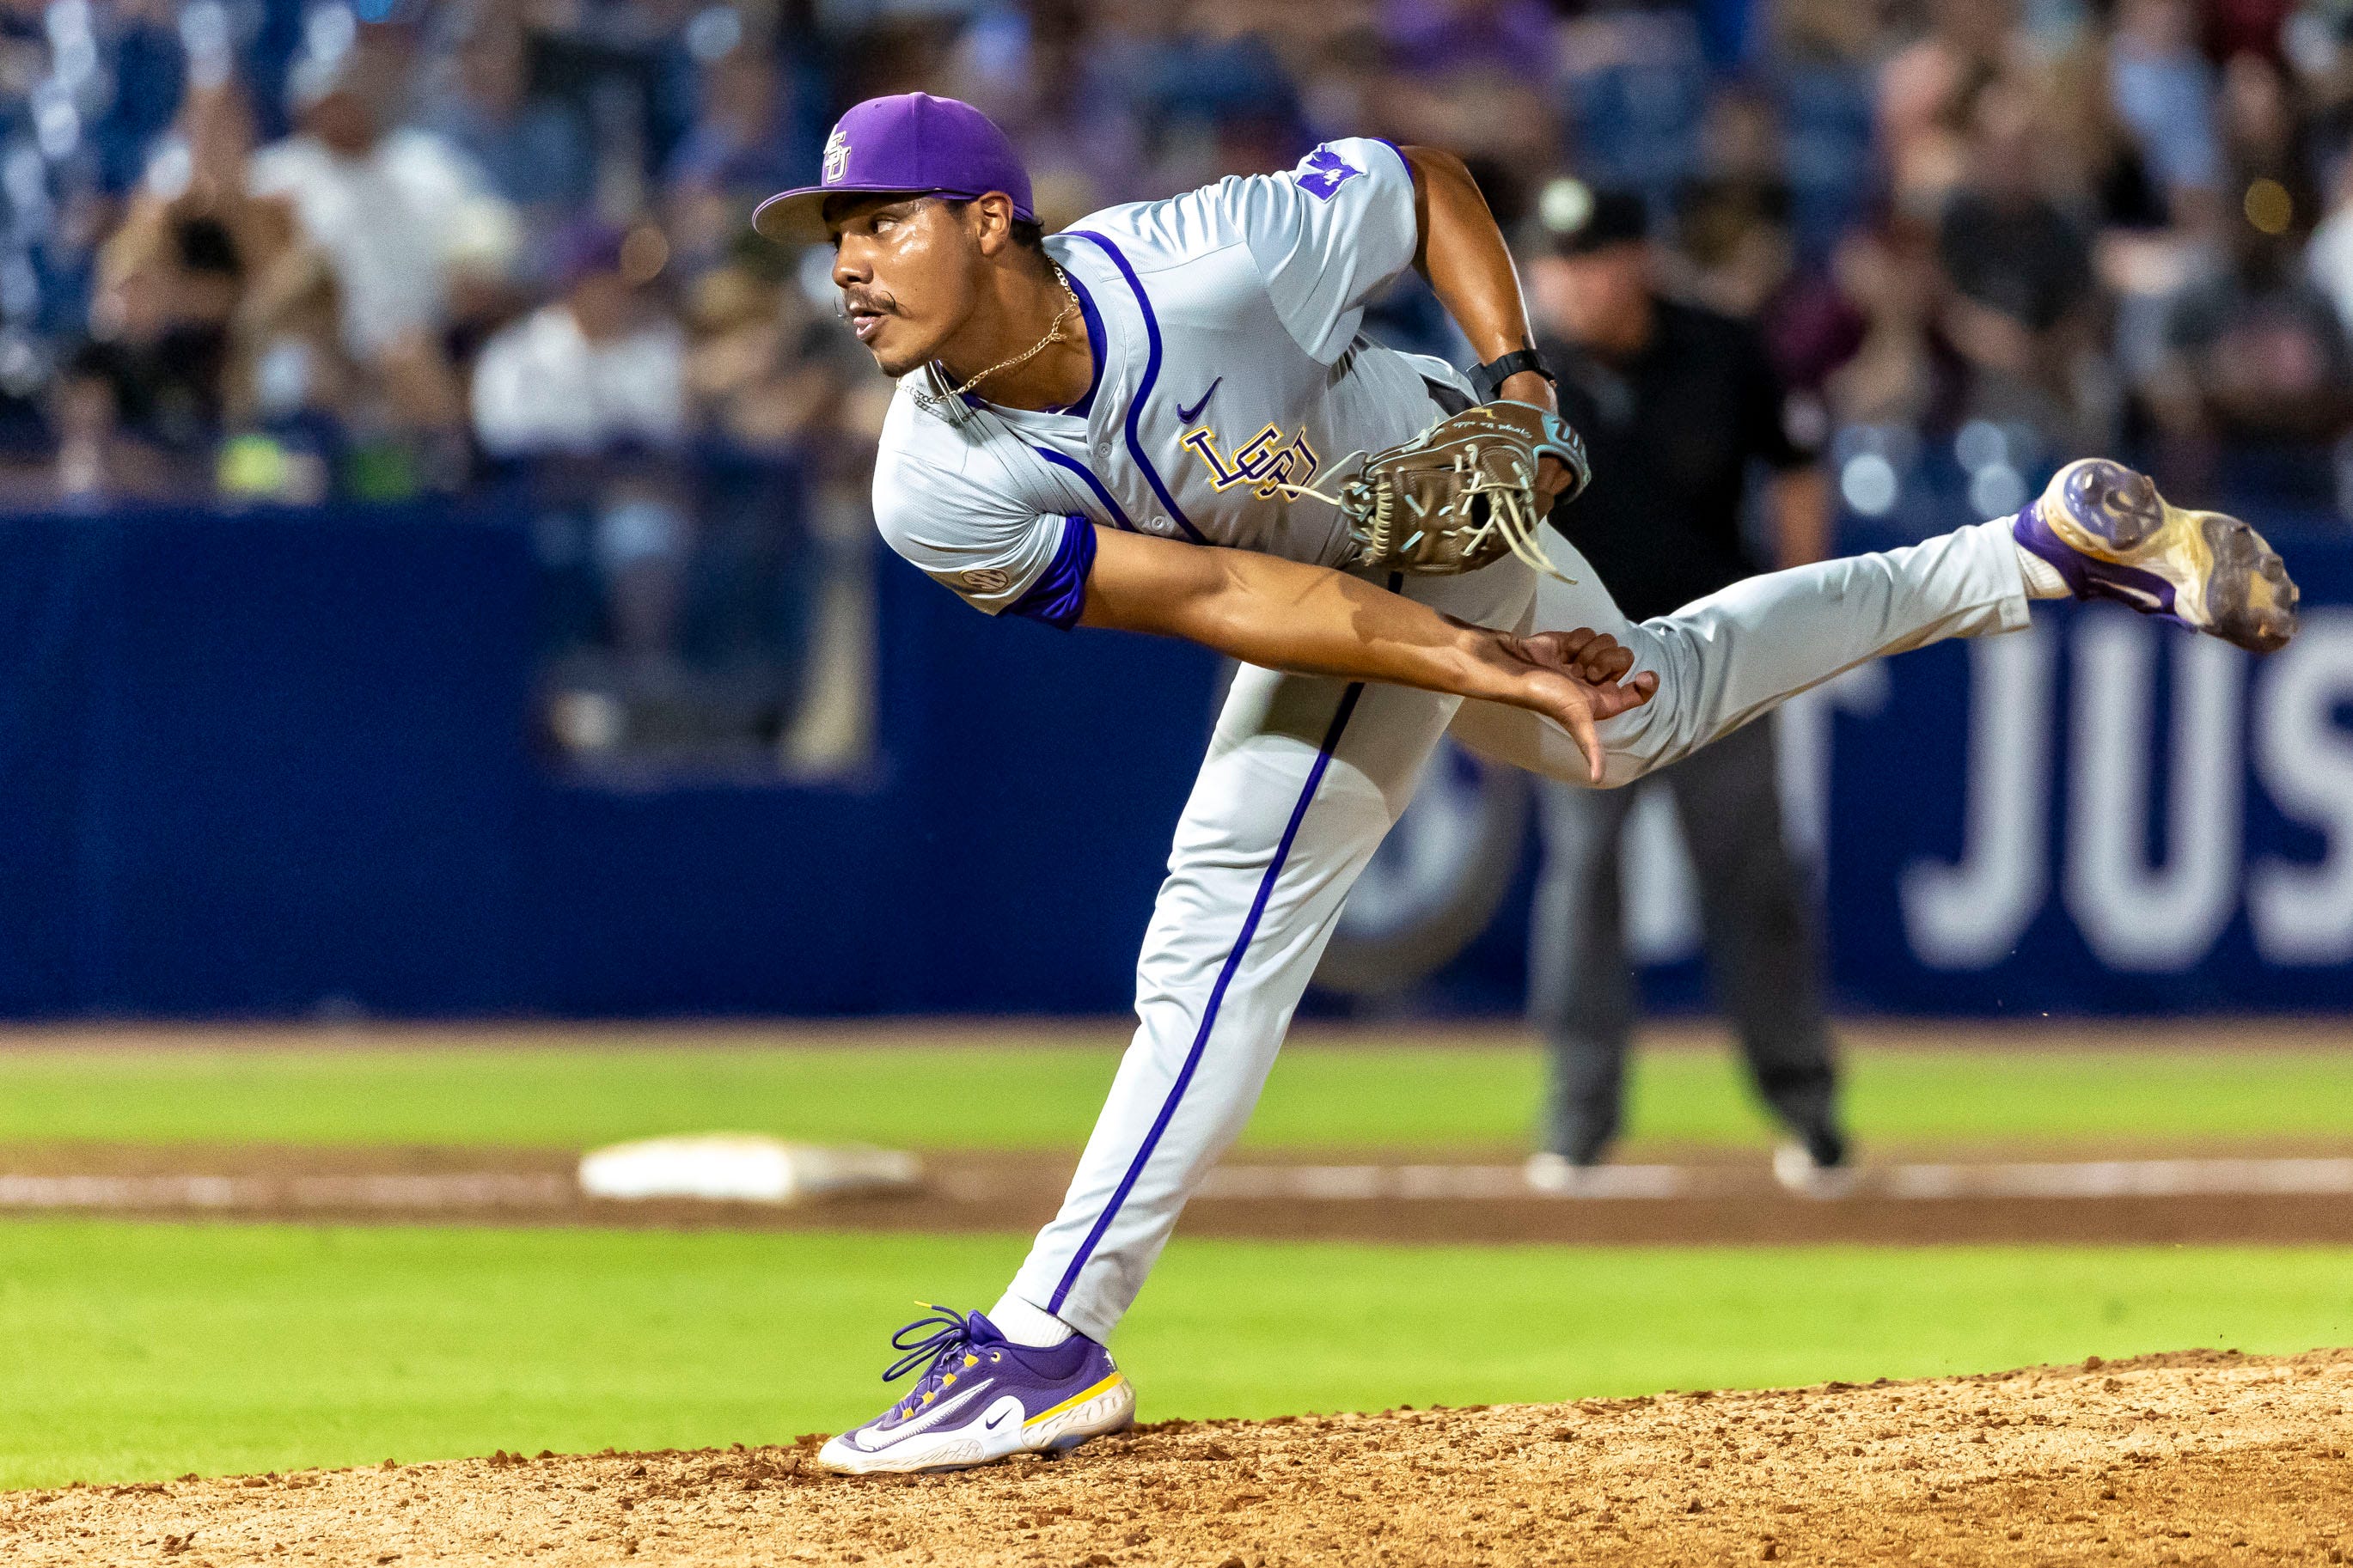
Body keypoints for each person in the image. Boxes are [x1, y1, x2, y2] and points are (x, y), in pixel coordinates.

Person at [755, 92, 2298, 1477]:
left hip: (1437, 476)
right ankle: (2023, 554)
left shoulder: (1198, 259)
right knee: (1639, 711)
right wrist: (1473, 661)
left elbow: (1422, 181)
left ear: (986, 219)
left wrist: (1514, 375)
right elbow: (1225, 601)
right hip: (1346, 578)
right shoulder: (930, 480)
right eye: (833, 235)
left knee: (1224, 904)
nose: (847, 265)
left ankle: (1049, 1333)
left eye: (879, 220)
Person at [1519, 185, 1847, 1197]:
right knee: (1581, 889)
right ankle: (1576, 1123)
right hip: (1579, 671)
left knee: (1752, 885)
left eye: (1590, 257)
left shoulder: (1721, 347)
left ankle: (1805, 1111)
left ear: (1637, 262)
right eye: (1557, 260)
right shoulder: (1522, 375)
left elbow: (1796, 470)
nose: (1570, 279)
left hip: (1713, 660)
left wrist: (1800, 626)